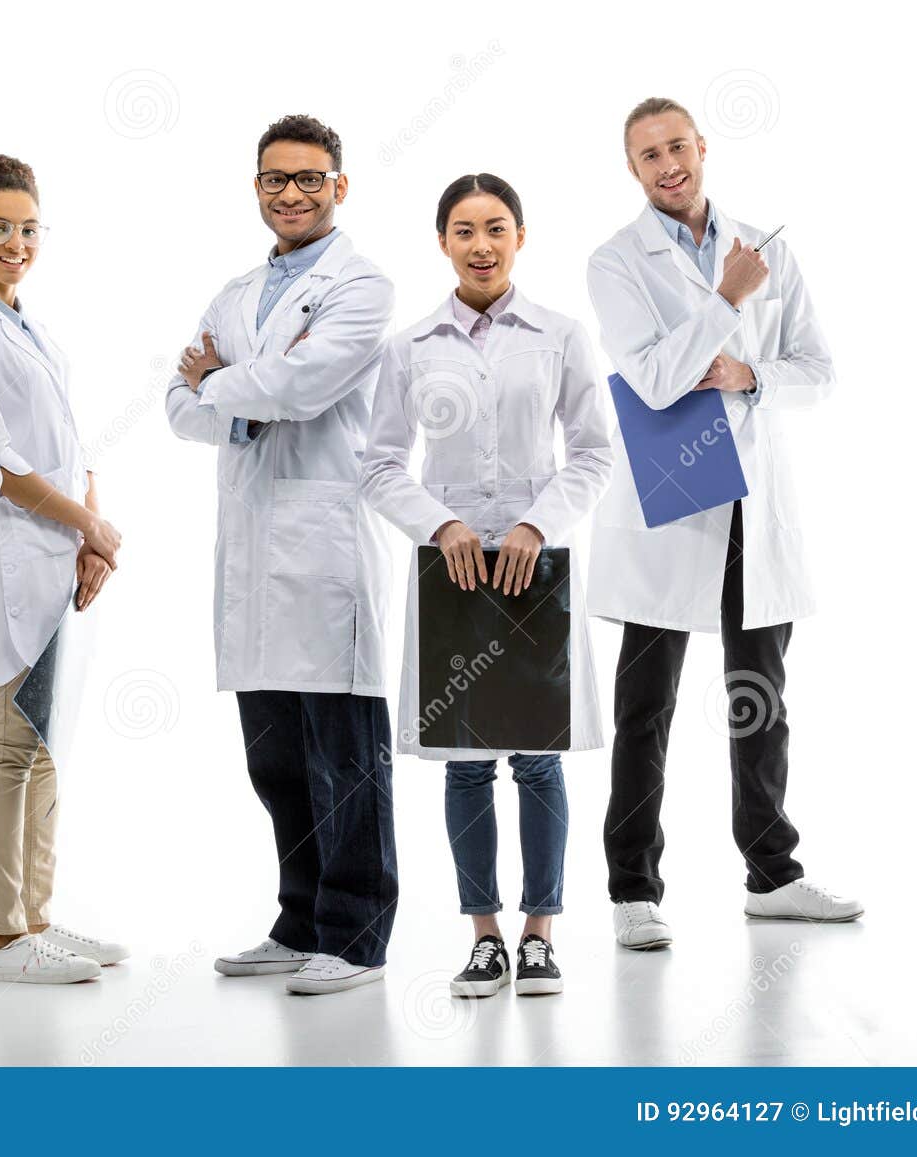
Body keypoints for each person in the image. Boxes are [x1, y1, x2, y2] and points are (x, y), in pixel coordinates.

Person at [586, 97, 862, 950]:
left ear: (701, 148)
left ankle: (772, 874)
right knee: (647, 704)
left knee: (762, 699)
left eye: (678, 147)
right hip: (671, 503)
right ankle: (633, 886)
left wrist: (748, 373)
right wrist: (726, 298)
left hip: (753, 501)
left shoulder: (767, 248)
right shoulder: (615, 262)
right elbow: (658, 378)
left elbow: (817, 368)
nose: (668, 165)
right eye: (648, 156)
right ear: (631, 170)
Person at [362, 174, 612, 997]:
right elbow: (381, 463)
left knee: (538, 758)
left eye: (496, 228)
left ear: (521, 237)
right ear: (442, 241)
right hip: (457, 567)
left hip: (533, 567)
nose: (481, 244)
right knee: (466, 763)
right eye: (464, 230)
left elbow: (593, 453)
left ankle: (542, 933)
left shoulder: (561, 335)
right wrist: (441, 524)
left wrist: (539, 523)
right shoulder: (410, 346)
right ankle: (485, 936)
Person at [166, 114, 398, 995]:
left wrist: (217, 385)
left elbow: (303, 386)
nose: (291, 193)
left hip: (323, 545)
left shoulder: (363, 284)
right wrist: (235, 394)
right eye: (275, 179)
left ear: (340, 185)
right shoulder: (234, 293)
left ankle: (359, 935)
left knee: (345, 756)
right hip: (252, 554)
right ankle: (299, 919)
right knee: (276, 760)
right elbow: (175, 407)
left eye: (308, 178)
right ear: (256, 188)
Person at [0, 154, 128, 985]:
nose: (16, 242)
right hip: (16, 550)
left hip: (62, 551)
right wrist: (91, 524)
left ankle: (37, 920)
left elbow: (73, 443)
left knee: (46, 744)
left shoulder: (29, 324)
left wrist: (90, 535)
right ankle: (3, 940)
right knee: (11, 743)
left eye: (28, 228)